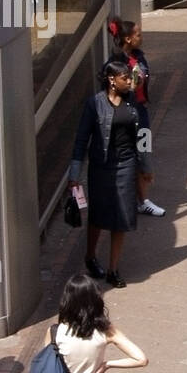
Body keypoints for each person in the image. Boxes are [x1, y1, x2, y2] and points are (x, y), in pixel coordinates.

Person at [68, 59, 152, 288]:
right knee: (98, 216)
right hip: (101, 167)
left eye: (129, 77)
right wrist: (74, 174)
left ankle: (113, 269)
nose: (129, 81)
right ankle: (90, 257)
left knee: (121, 218)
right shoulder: (94, 104)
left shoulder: (134, 102)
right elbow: (81, 139)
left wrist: (146, 166)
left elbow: (144, 135)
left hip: (126, 165)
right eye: (125, 78)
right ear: (111, 81)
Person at [108, 16, 164, 217]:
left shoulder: (139, 56)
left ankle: (142, 200)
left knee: (144, 151)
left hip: (141, 111)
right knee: (128, 155)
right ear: (128, 39)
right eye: (138, 34)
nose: (142, 37)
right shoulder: (115, 63)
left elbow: (141, 80)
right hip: (125, 114)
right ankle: (133, 200)